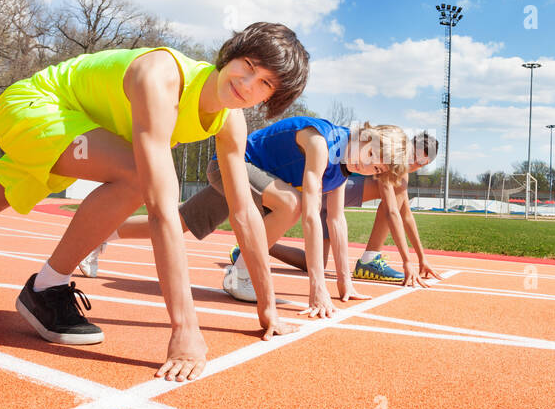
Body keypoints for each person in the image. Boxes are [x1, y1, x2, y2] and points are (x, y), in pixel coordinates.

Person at [0, 22, 309, 381]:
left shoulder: (229, 121)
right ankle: (47, 286)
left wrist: (267, 309)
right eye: (247, 66)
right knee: (137, 175)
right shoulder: (162, 76)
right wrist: (185, 328)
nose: (248, 83)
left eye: (265, 83)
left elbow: (245, 212)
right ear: (230, 56)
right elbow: (164, 210)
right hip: (39, 108)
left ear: (272, 97)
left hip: (83, 135)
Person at [91, 118, 410, 319]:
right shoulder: (321, 142)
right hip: (230, 167)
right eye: (372, 157)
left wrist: (343, 283)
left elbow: (336, 223)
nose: (369, 168)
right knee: (291, 202)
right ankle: (240, 274)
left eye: (377, 170)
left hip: (257, 183)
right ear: (367, 135)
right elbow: (311, 217)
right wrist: (317, 288)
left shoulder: (342, 172)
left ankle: (97, 235)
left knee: (177, 223)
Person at [254, 130, 443, 286]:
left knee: (314, 261)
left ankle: (257, 246)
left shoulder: (402, 175)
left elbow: (406, 216)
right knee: (392, 201)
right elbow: (391, 211)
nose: (414, 163)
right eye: (413, 156)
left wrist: (421, 258)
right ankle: (370, 259)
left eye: (421, 163)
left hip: (328, 199)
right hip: (328, 191)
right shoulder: (387, 162)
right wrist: (407, 261)